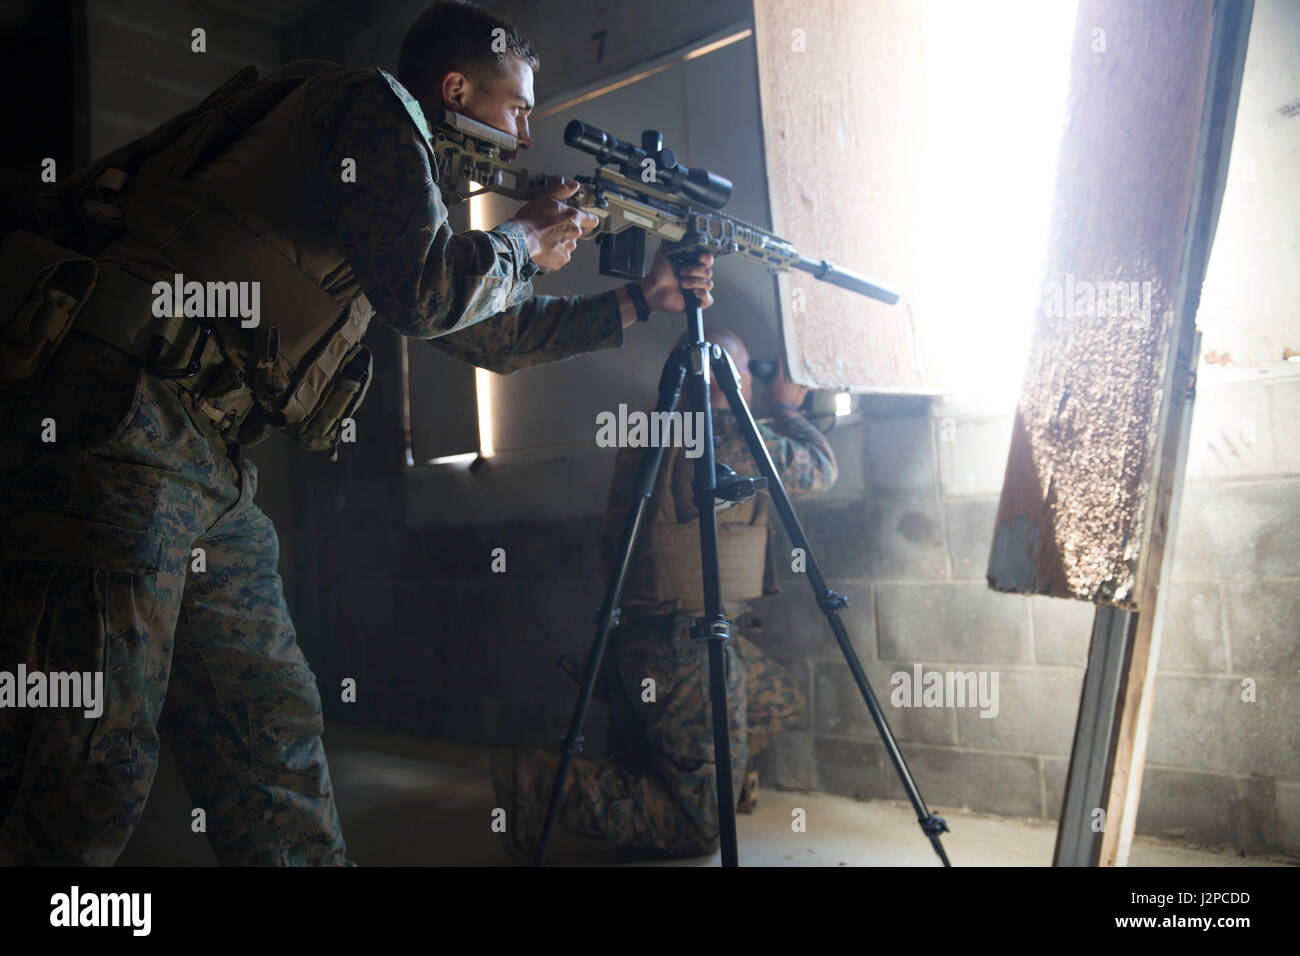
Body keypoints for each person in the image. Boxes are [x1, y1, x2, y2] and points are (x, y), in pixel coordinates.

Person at [0, 0, 712, 866]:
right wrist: (526, 240)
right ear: (453, 88)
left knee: (272, 735)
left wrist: (640, 300)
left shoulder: (394, 193)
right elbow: (426, 296)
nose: (526, 138)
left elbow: (490, 334)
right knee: (83, 763)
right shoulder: (372, 107)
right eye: (518, 109)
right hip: (124, 419)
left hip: (205, 461)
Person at [492, 327, 837, 860]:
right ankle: (538, 784)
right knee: (698, 832)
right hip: (684, 651)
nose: (750, 379)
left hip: (646, 640)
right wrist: (786, 408)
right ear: (718, 381)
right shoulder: (725, 438)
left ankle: (696, 775)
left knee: (777, 699)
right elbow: (819, 469)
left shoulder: (656, 433)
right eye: (741, 369)